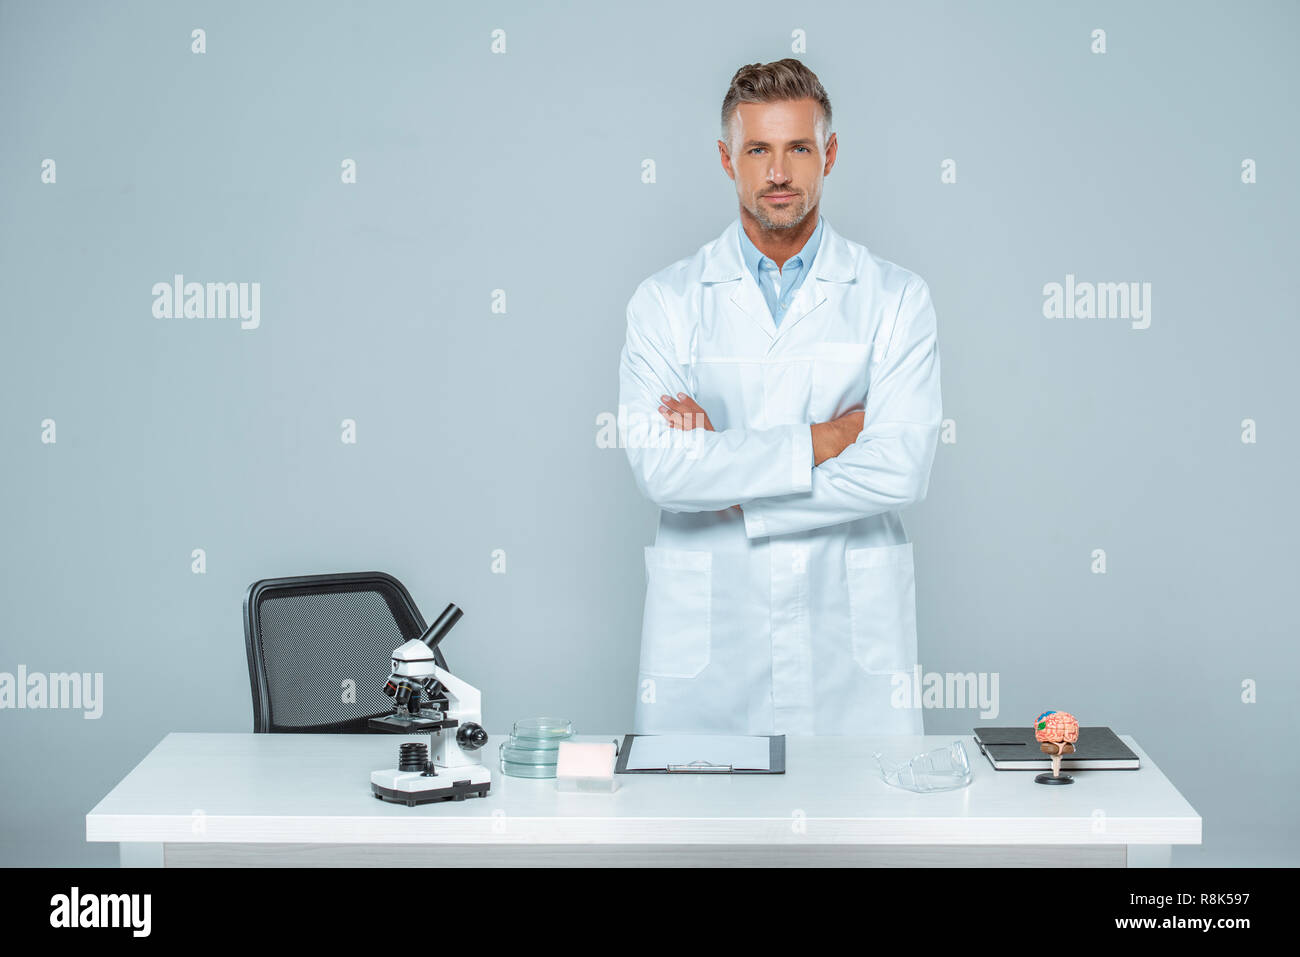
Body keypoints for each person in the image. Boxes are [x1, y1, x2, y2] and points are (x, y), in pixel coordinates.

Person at [617, 58, 942, 735]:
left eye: (798, 148)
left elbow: (900, 468)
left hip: (845, 634)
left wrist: (730, 480)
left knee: (860, 827)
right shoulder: (666, 301)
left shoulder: (896, 298)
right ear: (726, 158)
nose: (778, 173)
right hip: (712, 640)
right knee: (699, 829)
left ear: (828, 153)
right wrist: (823, 441)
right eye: (758, 149)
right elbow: (662, 470)